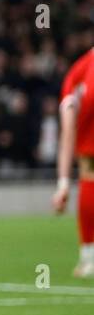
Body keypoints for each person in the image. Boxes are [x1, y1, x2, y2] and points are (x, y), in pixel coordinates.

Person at [52, 39, 94, 278]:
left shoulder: (76, 76)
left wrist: (63, 183)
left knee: (89, 169)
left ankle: (89, 258)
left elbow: (68, 131)